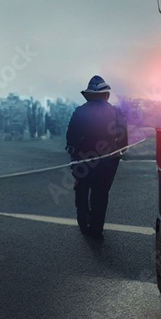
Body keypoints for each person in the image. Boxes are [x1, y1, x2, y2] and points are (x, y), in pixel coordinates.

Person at [65, 75, 128, 241]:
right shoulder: (116, 112)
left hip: (83, 159)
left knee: (81, 190)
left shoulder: (80, 111)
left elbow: (71, 138)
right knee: (101, 194)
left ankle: (83, 225)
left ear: (90, 95)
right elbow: (123, 140)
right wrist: (119, 152)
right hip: (108, 160)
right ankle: (96, 228)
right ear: (106, 95)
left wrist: (73, 156)